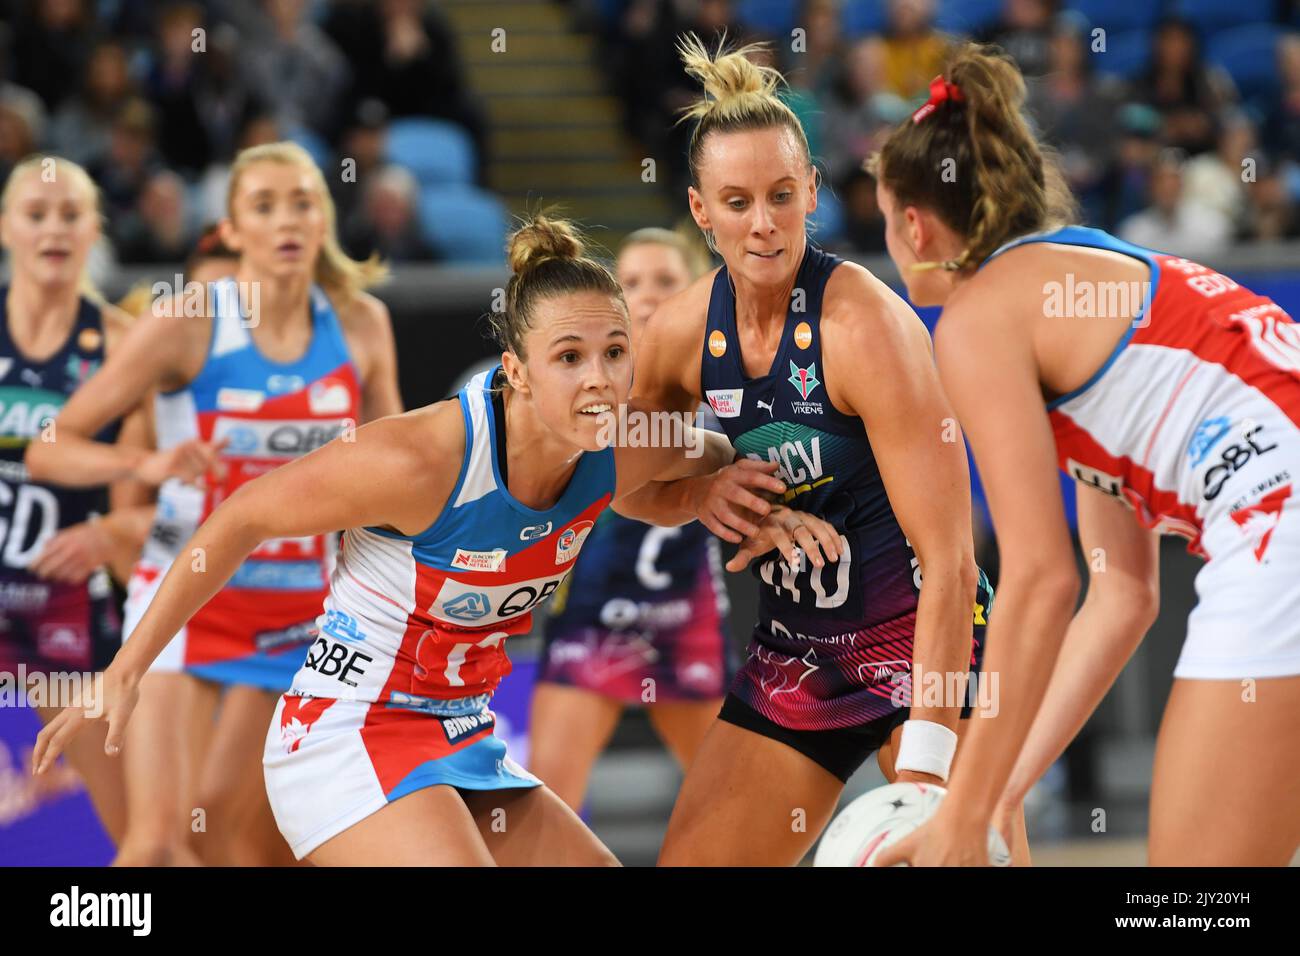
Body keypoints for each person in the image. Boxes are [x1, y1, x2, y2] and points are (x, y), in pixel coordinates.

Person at [33, 212, 838, 866]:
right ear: (517, 370)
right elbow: (240, 516)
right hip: (344, 737)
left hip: (460, 733)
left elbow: (700, 466)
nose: (598, 378)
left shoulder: (625, 439)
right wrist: (125, 668)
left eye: (615, 354)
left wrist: (713, 494)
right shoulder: (419, 458)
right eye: (569, 357)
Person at [868, 44, 1300, 866]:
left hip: (1279, 533)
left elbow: (1038, 577)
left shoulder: (979, 319)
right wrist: (990, 798)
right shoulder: (1087, 276)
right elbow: (1122, 595)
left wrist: (959, 819)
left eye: (887, 218)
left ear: (915, 225)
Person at [631, 36, 1018, 867]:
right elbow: (619, 475)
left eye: (781, 195)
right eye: (736, 202)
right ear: (701, 211)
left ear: (812, 190)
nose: (763, 223)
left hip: (929, 642)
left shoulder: (866, 329)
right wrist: (699, 494)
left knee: (958, 857)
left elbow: (950, 562)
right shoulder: (677, 336)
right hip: (801, 652)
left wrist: (924, 777)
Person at [26, 141, 404, 866]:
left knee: (234, 843)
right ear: (232, 230)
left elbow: (399, 476)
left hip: (303, 621)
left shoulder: (361, 324)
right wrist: (146, 461)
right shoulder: (189, 319)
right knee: (158, 843)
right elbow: (50, 443)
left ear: (324, 218)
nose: (287, 220)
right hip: (182, 601)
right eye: (264, 206)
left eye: (302, 202)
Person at [530, 227, 733, 810]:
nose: (646, 295)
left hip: (685, 612)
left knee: (727, 802)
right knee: (547, 803)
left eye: (664, 281)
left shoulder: (719, 379)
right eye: (631, 282)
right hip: (595, 611)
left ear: (696, 289)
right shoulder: (585, 385)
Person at [0, 154, 149, 848]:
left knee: (135, 832)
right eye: (36, 215)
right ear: (6, 228)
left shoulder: (126, 349)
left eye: (70, 215)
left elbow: (145, 509)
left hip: (69, 614)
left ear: (95, 229)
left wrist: (109, 534)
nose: (53, 229)